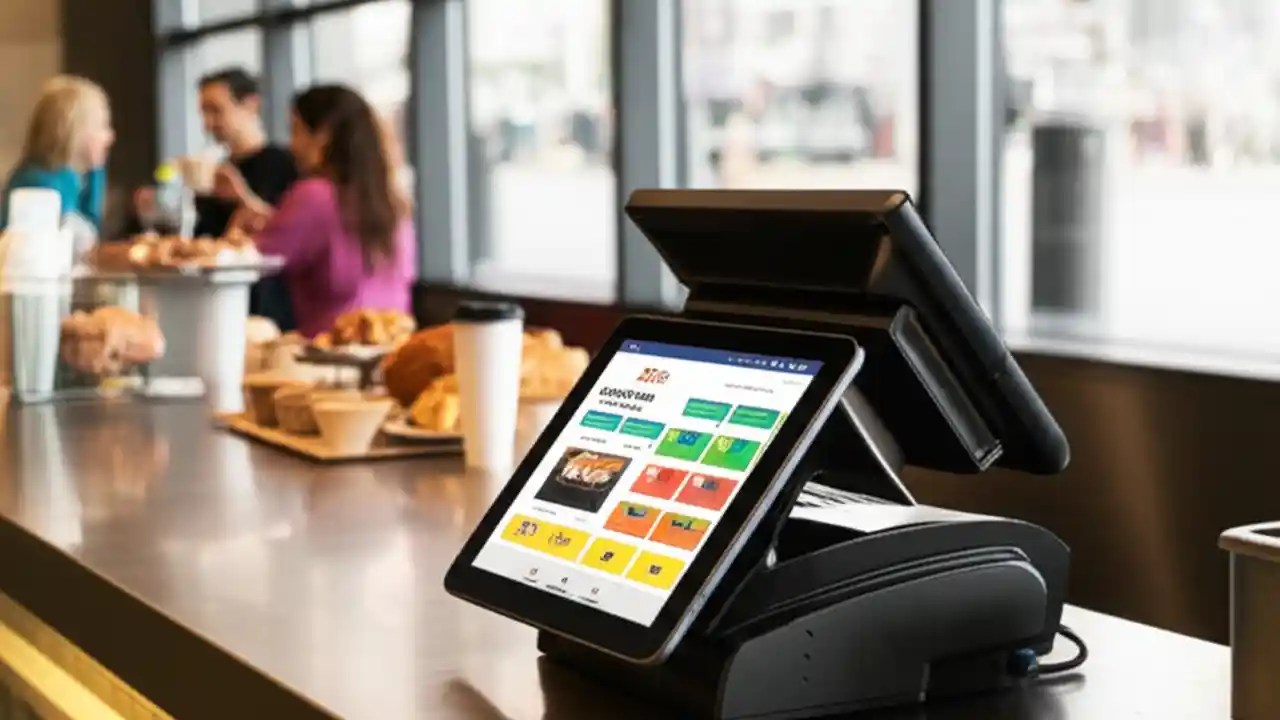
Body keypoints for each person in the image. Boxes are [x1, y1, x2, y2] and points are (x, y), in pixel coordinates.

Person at [225, 85, 415, 338]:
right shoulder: (393, 201)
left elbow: (242, 263)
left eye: (296, 130)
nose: (291, 146)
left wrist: (235, 231)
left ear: (323, 136)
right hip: (393, 346)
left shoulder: (313, 195)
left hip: (331, 354)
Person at [136, 67, 299, 329]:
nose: (208, 123)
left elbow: (287, 232)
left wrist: (242, 197)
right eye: (203, 112)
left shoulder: (284, 165)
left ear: (250, 105)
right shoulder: (215, 174)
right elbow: (201, 243)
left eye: (216, 110)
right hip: (220, 308)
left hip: (272, 309)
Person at [1, 75, 115, 240]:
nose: (110, 136)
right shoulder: (42, 184)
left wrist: (95, 170)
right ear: (76, 132)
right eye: (102, 127)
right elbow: (86, 239)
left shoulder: (67, 176)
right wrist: (96, 170)